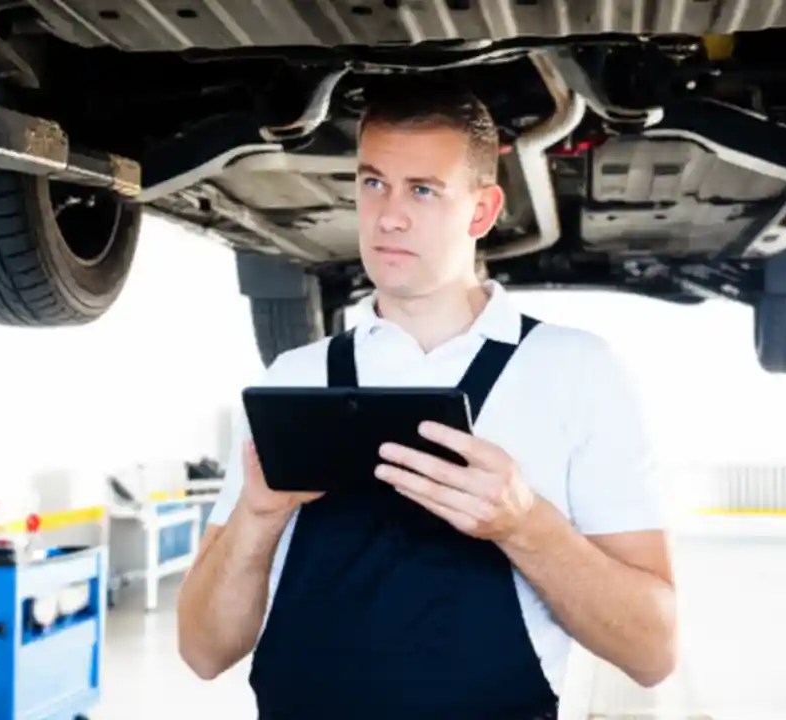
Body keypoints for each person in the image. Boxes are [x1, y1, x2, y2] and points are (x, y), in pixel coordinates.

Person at [176, 78, 676, 719]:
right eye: (373, 183)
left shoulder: (574, 371)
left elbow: (654, 651)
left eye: (423, 190)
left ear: (482, 211)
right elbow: (201, 651)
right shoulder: (292, 381)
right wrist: (257, 518)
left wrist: (527, 525)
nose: (389, 215)